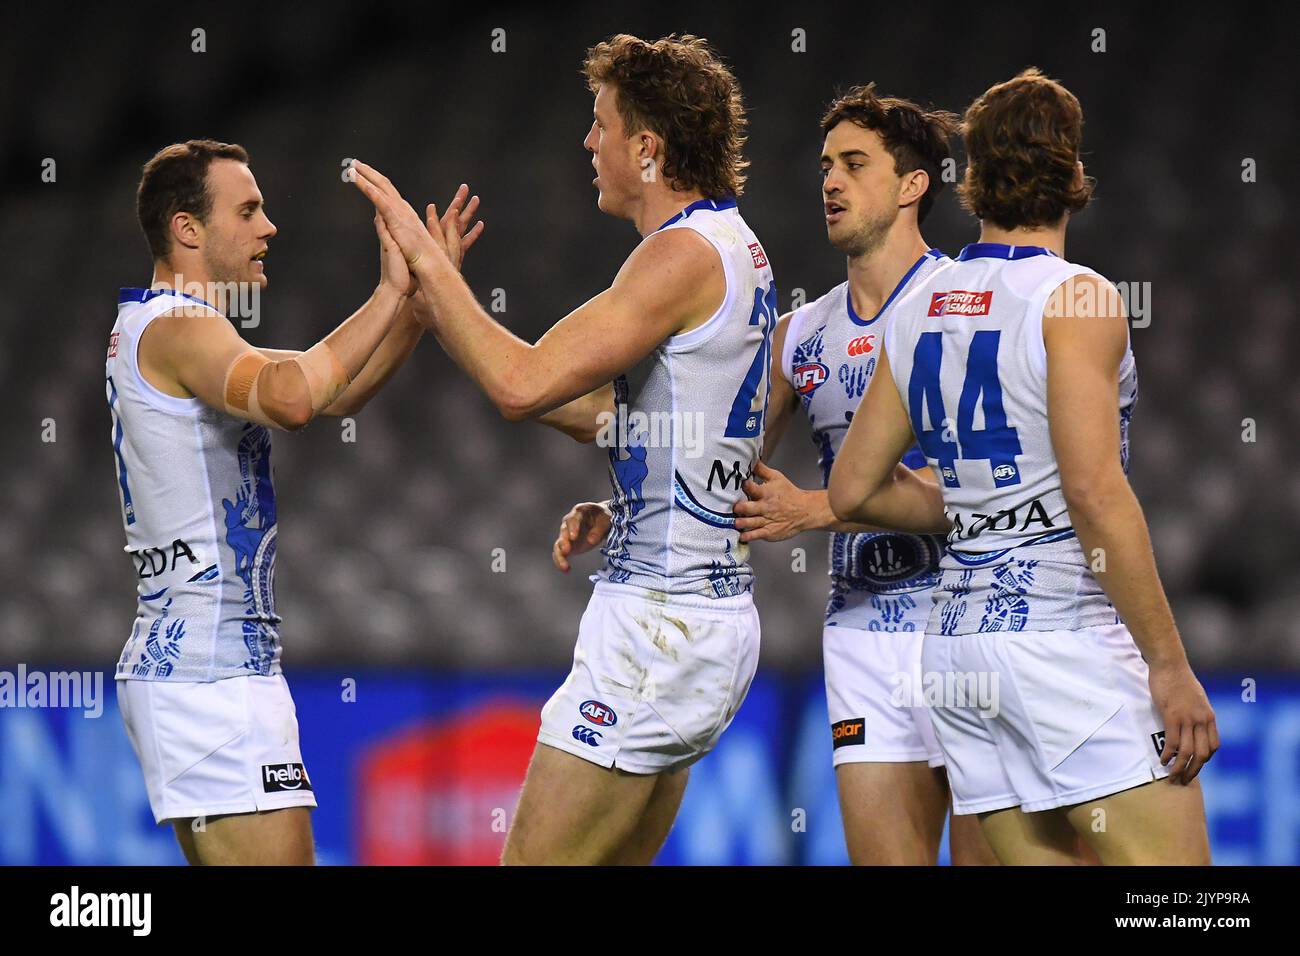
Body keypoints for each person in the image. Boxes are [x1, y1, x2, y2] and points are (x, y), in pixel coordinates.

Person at [349, 34, 774, 865]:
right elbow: (611, 416)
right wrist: (632, 505)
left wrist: (430, 269)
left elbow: (521, 384)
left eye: (602, 124)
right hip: (699, 612)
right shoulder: (732, 245)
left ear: (646, 148)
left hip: (659, 621)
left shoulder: (679, 255)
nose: (590, 142)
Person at [827, 69, 1216, 864]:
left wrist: (979, 513)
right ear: (1074, 180)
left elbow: (853, 489)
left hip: (957, 651)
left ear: (971, 184)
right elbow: (1094, 492)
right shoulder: (1077, 298)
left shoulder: (920, 307)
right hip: (1060, 636)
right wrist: (1169, 667)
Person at [108, 139, 479, 864]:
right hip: (212, 673)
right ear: (187, 229)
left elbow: (337, 394)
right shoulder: (179, 328)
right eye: (247, 210)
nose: (268, 227)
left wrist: (410, 308)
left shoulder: (165, 328)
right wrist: (384, 294)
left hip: (201, 667)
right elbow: (294, 397)